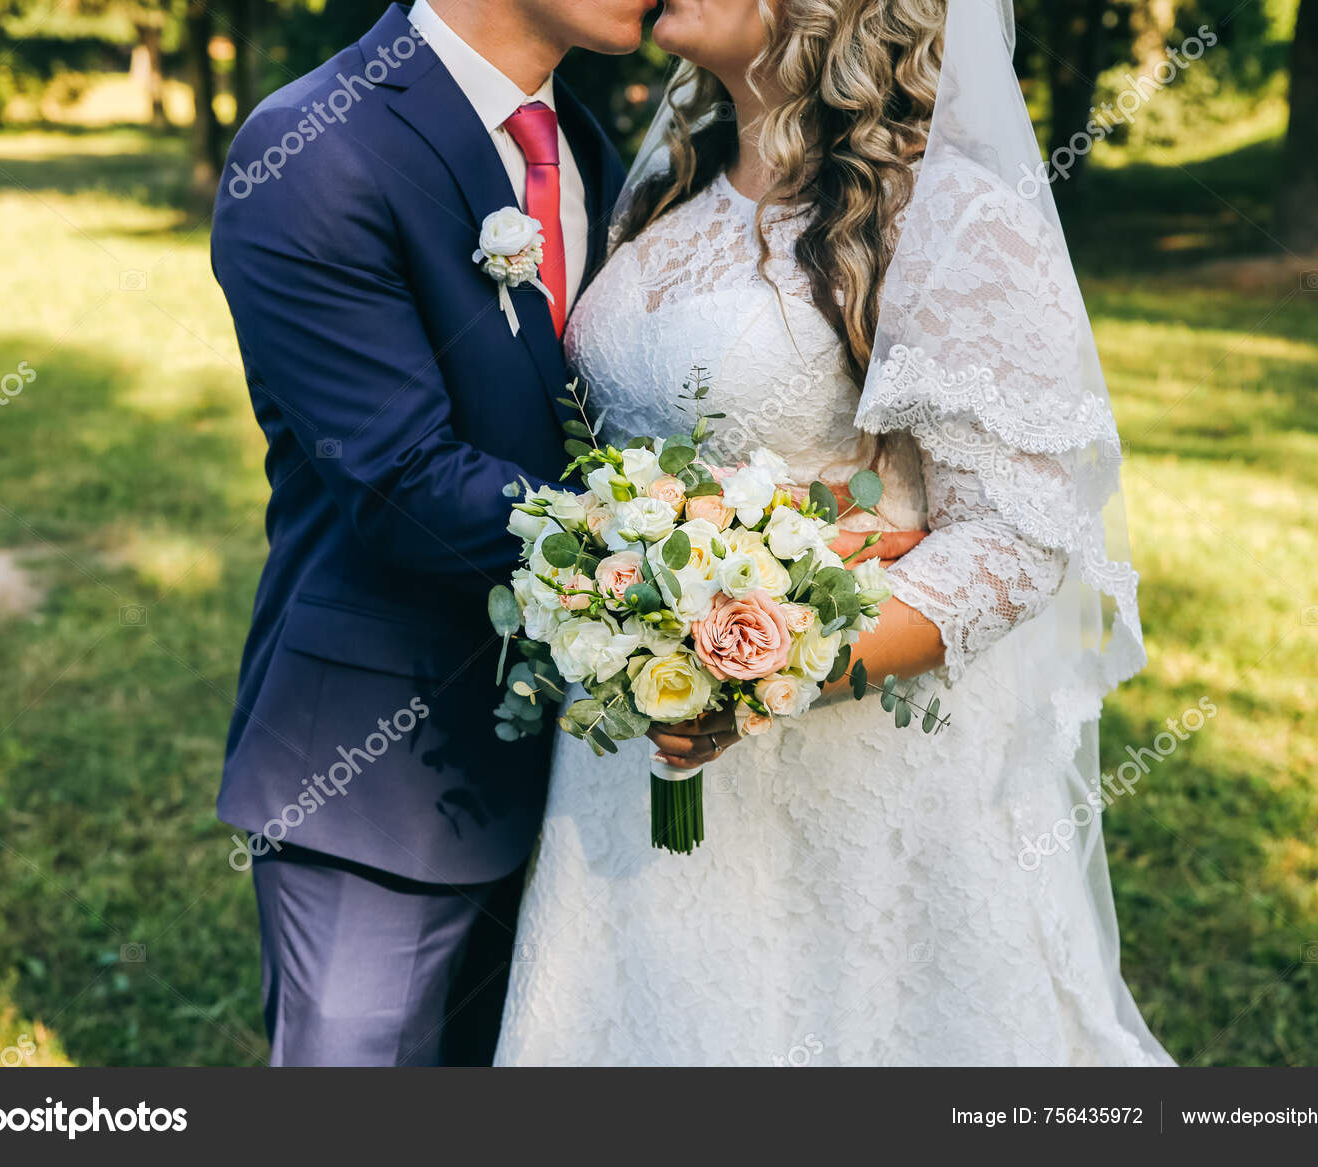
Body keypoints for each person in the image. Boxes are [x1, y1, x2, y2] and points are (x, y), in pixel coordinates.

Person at [494, 0, 1174, 1066]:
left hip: (831, 759)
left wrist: (761, 667)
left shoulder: (948, 217)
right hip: (631, 754)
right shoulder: (668, 190)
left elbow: (1015, 534)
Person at [209, 0, 649, 1065]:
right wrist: (673, 566)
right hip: (384, 767)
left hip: (581, 766)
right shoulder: (316, 143)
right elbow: (399, 478)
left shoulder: (586, 144)